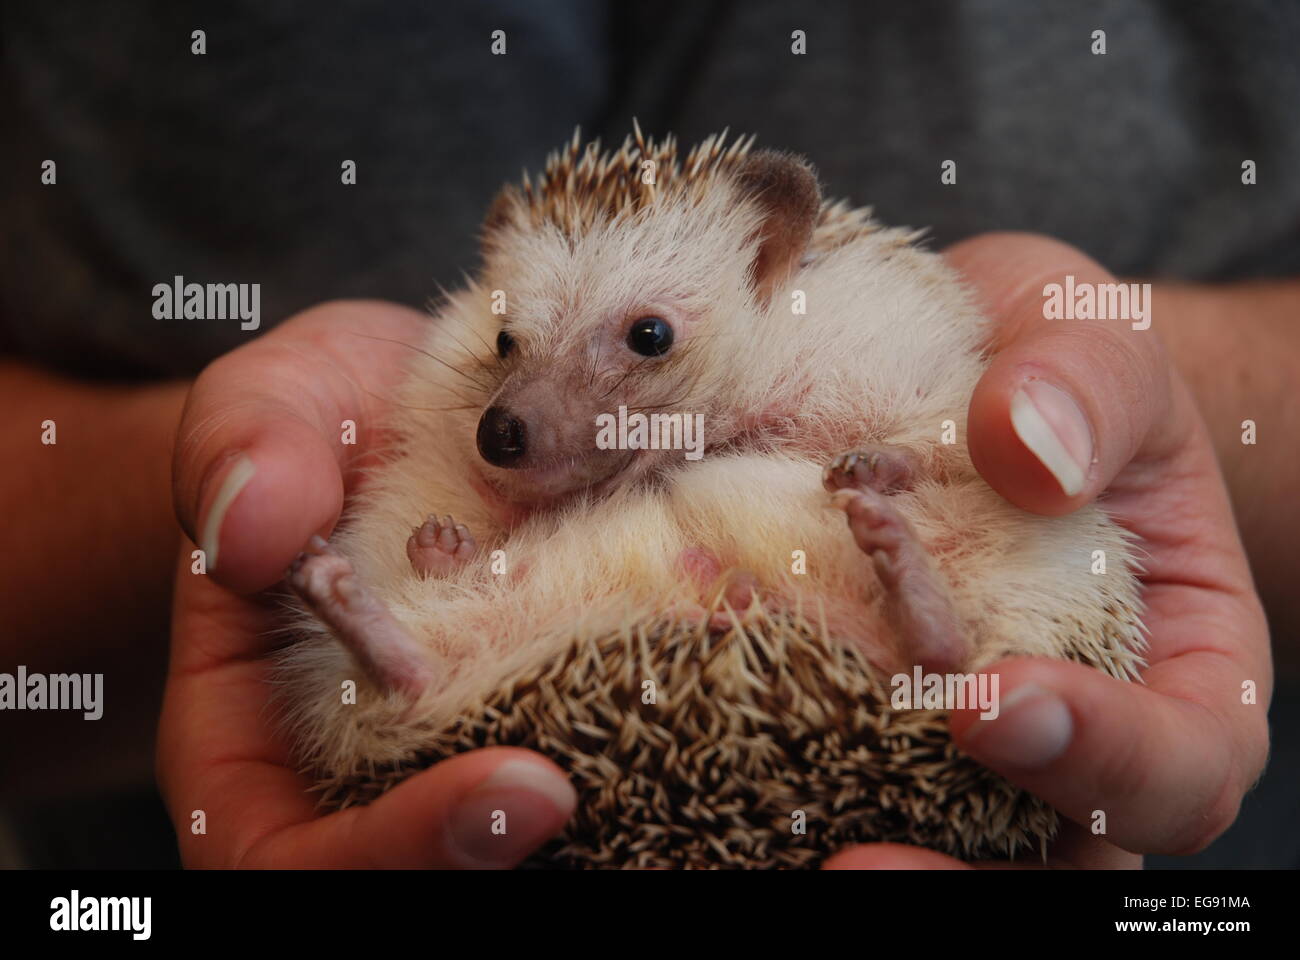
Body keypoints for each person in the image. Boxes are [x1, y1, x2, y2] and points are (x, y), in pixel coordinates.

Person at [2, 2, 1296, 867]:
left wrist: (1149, 411)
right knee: (419, 666)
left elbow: (967, 438)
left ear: (772, 255)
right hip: (472, 693)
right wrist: (222, 498)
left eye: (646, 342)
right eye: (517, 353)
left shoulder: (854, 326)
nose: (520, 416)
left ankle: (915, 609)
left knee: (970, 569)